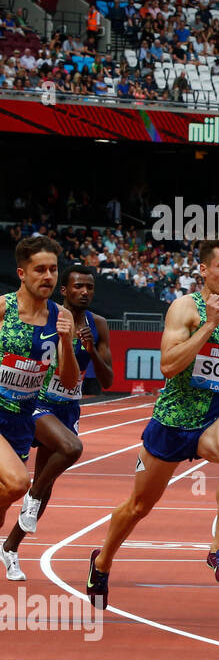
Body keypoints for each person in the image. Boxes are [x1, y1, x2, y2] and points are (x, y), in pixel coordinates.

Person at [87, 240, 219, 607]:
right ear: (204, 271)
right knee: (138, 506)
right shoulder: (185, 309)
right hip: (172, 423)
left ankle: (218, 548)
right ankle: (101, 562)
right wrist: (209, 325)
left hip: (214, 419)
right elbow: (168, 365)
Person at [1, 264, 113, 581]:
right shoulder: (49, 316)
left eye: (89, 287)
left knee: (45, 483)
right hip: (36, 402)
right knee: (70, 448)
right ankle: (31, 499)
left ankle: (10, 548)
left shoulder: (98, 324)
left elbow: (108, 379)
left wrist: (91, 348)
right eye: (78, 286)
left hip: (67, 408)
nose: (84, 292)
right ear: (64, 290)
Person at [0, 239, 82, 583]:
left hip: (22, 417)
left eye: (53, 269)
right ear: (22, 273)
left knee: (3, 501)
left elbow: (69, 379)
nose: (48, 276)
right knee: (19, 483)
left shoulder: (61, 318)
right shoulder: (3, 309)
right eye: (40, 270)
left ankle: (8, 545)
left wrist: (66, 340)